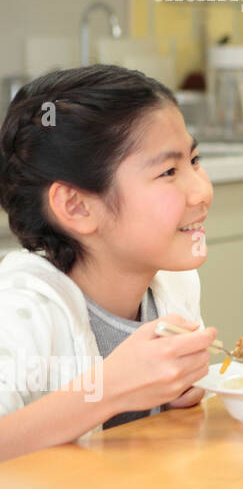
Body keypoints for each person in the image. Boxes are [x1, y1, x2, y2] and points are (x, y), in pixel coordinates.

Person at [0, 66, 217, 462]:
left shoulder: (174, 286)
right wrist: (109, 388)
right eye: (169, 171)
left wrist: (178, 392)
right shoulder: (21, 310)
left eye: (195, 159)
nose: (202, 191)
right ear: (76, 206)